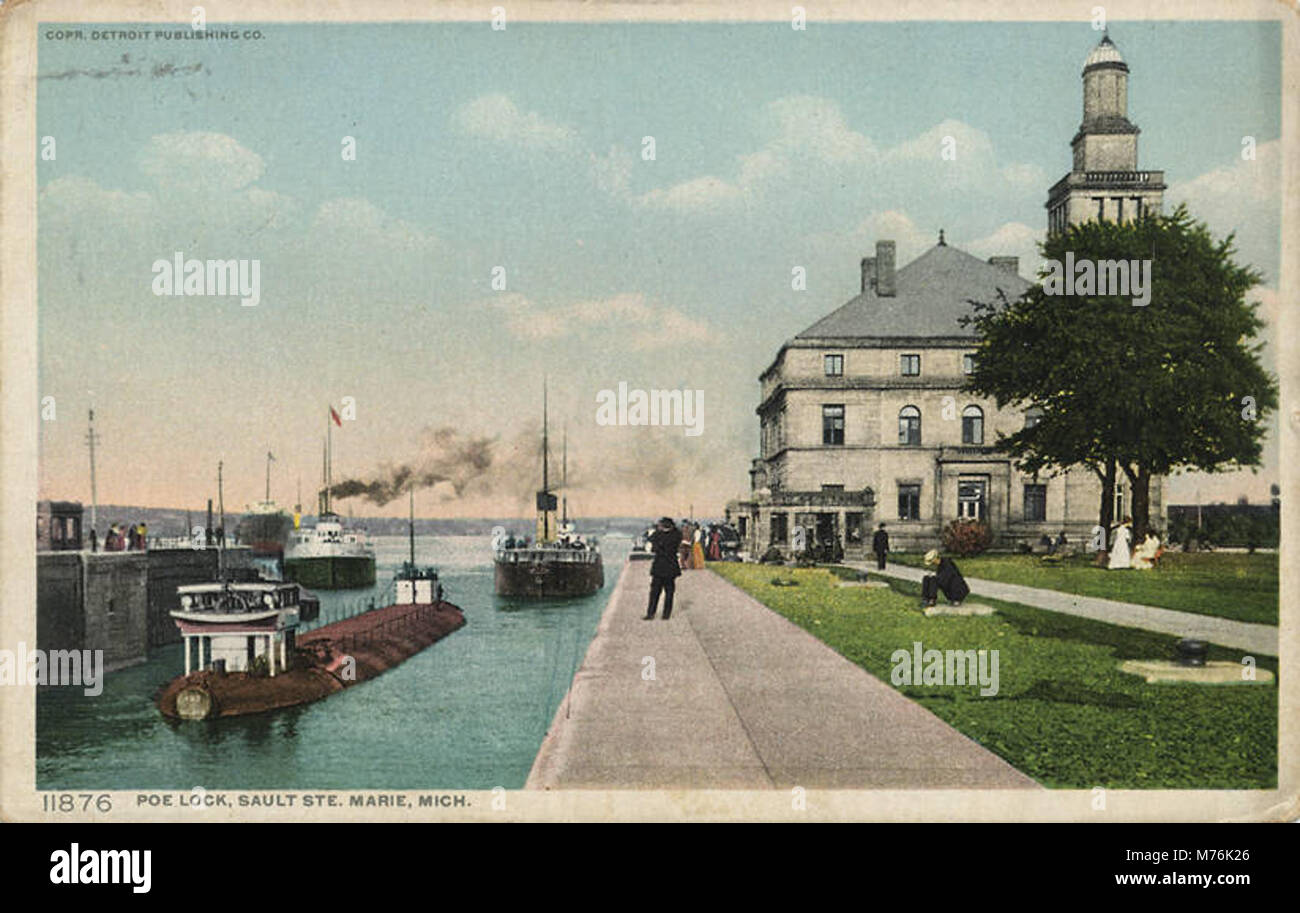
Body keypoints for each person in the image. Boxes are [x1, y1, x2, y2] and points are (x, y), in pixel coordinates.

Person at [645, 517, 683, 620]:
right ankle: (666, 615)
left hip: (659, 567)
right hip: (671, 567)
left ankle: (650, 614)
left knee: (654, 593)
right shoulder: (676, 535)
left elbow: (651, 546)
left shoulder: (657, 535)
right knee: (669, 592)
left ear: (662, 526)